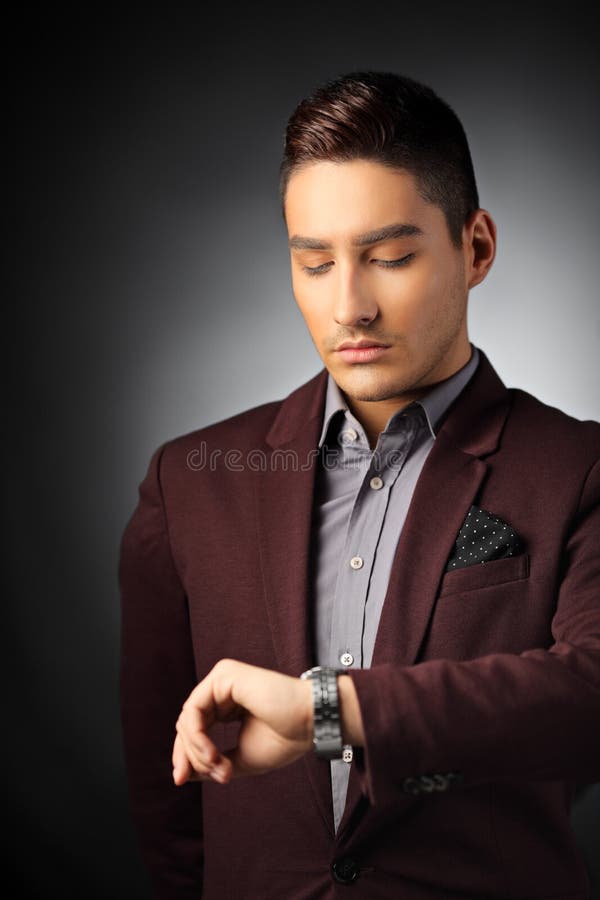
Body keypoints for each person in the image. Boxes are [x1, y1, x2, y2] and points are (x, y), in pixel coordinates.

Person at [118, 70, 600, 899]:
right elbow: (168, 803)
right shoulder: (189, 481)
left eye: (390, 257)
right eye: (314, 263)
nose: (350, 306)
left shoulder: (579, 469)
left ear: (475, 247)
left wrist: (329, 712)